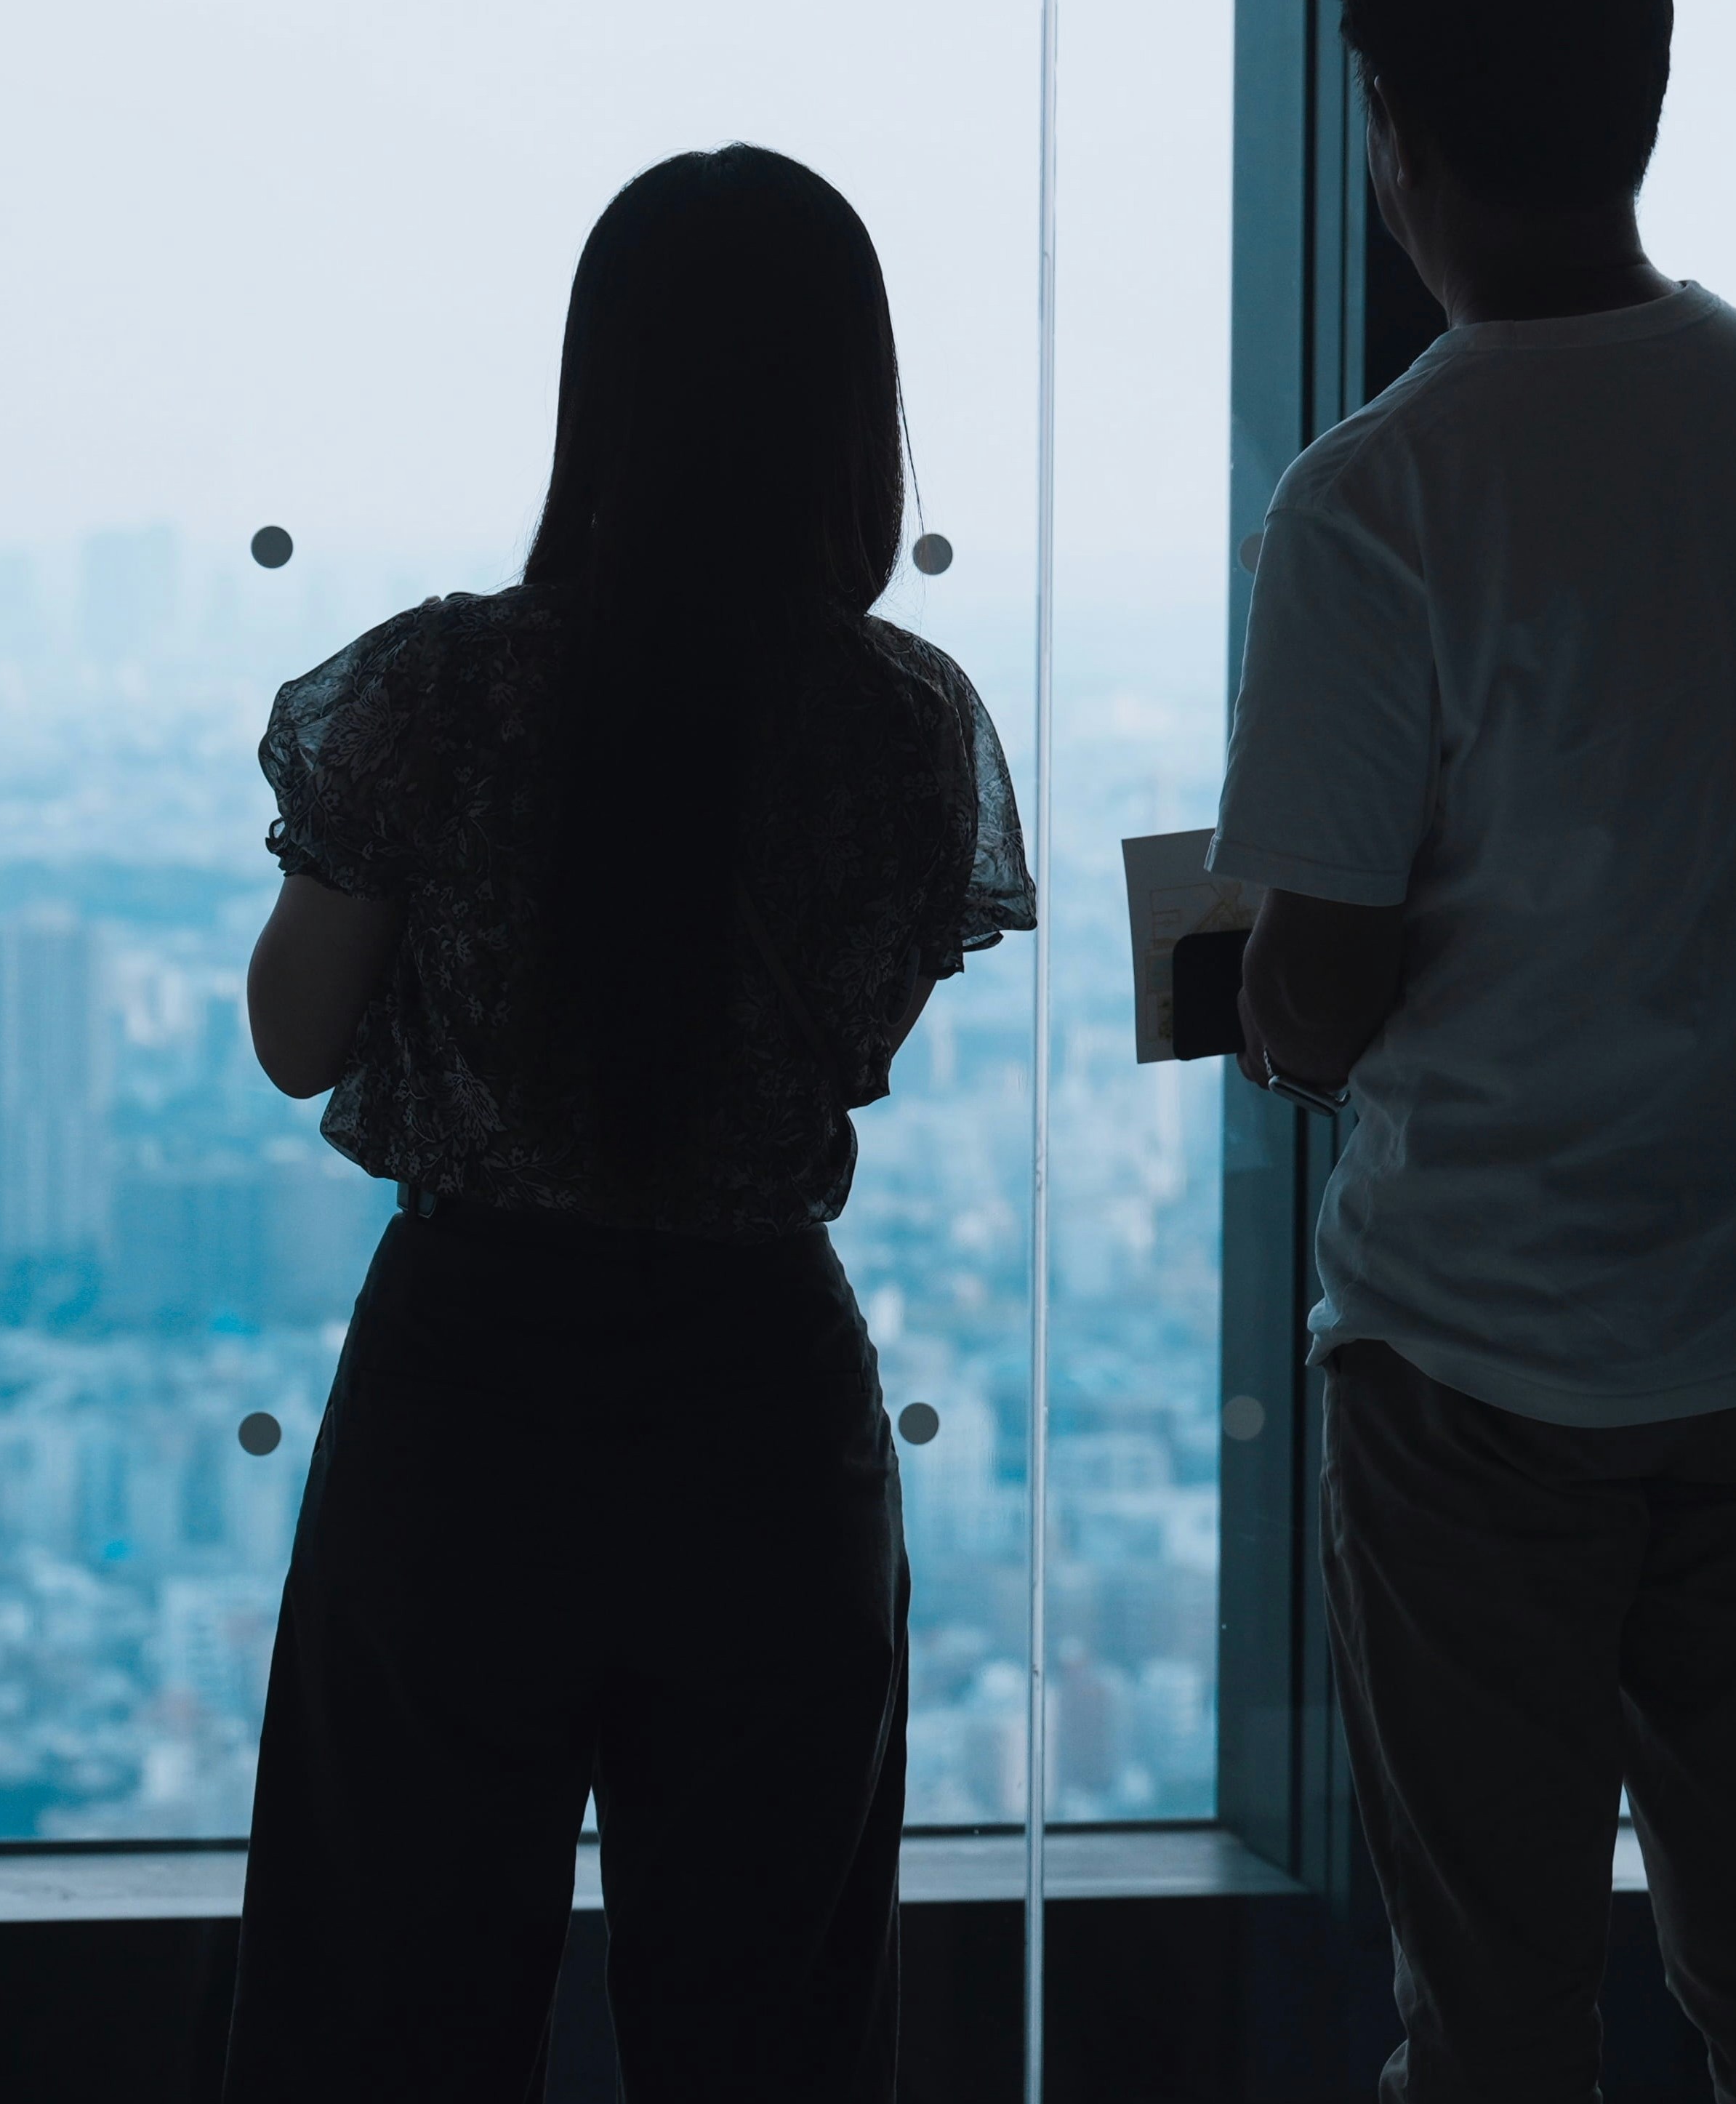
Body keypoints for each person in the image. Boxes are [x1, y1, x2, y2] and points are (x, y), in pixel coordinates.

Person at [1214, 0, 1736, 2103]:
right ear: (1638, 97)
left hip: (1485, 1355)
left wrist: (1271, 982)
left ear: (1390, 131)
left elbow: (1313, 997)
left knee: (1499, 2008)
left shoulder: (1375, 502)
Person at [217, 145, 1033, 2102]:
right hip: (760, 1399)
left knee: (383, 2003)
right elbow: (849, 1048)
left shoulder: (430, 692)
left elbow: (291, 1035)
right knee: (772, 2020)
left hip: (469, 1384)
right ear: (853, 413)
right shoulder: (897, 726)